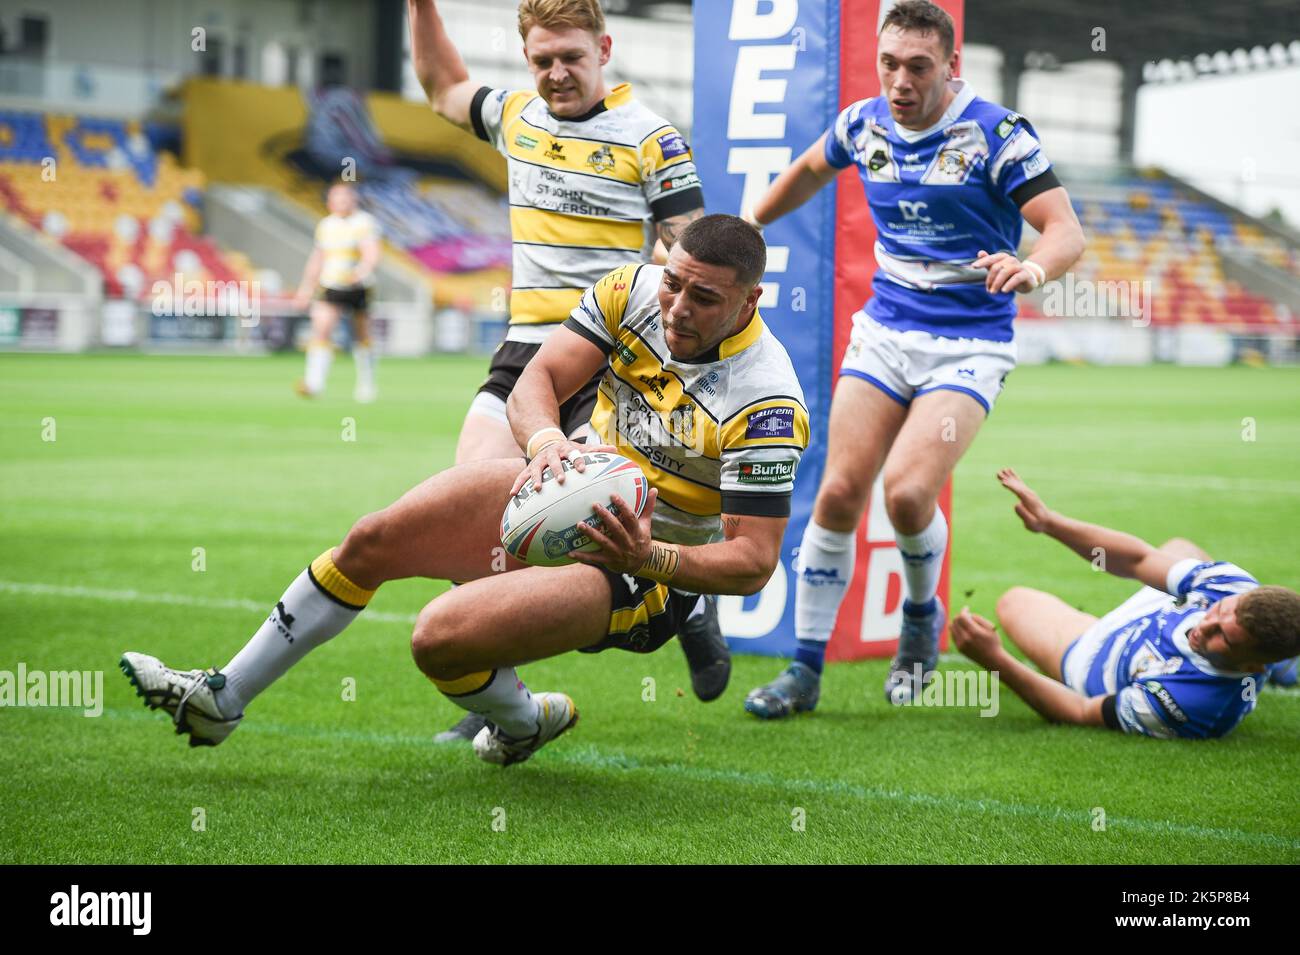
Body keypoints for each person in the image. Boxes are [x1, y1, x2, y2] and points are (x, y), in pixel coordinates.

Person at [120, 215, 809, 766]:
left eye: (704, 297)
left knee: (439, 639)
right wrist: (546, 443)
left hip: (643, 572)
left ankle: (523, 721)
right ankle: (222, 698)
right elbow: (536, 384)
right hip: (565, 484)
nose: (678, 307)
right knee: (372, 538)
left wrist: (647, 557)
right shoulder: (632, 289)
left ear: (750, 299)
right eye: (675, 283)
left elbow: (751, 561)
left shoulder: (767, 398)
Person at [741, 0, 1085, 717]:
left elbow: (1064, 230)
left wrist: (1031, 270)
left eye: (918, 67)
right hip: (887, 331)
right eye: (888, 63)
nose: (899, 80)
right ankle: (804, 670)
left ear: (951, 65)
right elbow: (809, 168)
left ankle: (921, 618)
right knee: (836, 494)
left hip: (970, 342)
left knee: (903, 494)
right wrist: (747, 226)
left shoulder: (998, 135)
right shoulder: (862, 122)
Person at [407, 0, 726, 723]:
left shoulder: (651, 138)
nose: (557, 73)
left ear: (603, 49)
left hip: (605, 361)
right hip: (522, 356)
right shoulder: (516, 117)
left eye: (571, 57)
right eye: (543, 59)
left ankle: (687, 602)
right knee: (470, 525)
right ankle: (498, 686)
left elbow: (689, 248)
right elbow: (441, 86)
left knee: (582, 540)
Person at [948, 468, 1300, 739]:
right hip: (1150, 611)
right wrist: (1049, 523)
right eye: (1220, 612)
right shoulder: (1230, 586)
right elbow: (1137, 560)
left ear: (1253, 666)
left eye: (1223, 636)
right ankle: (1286, 666)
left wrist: (995, 659)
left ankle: (1281, 665)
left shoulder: (1194, 706)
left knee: (1013, 602)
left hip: (1092, 653)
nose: (1202, 626)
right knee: (1181, 548)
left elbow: (1081, 711)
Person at [291, 183, 382, 402]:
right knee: (321, 329)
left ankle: (366, 384)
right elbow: (318, 257)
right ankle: (314, 383)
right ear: (329, 202)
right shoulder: (326, 225)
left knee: (362, 335)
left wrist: (362, 271)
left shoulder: (364, 222)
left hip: (358, 287)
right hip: (331, 285)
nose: (341, 203)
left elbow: (371, 252)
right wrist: (306, 288)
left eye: (345, 198)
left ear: (353, 200)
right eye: (336, 198)